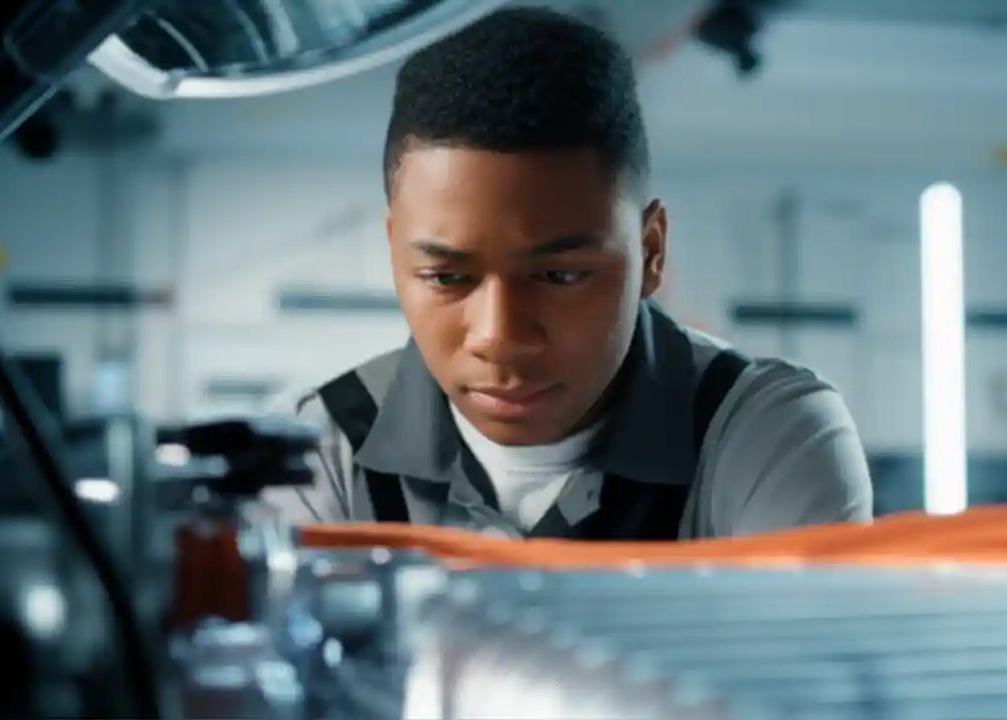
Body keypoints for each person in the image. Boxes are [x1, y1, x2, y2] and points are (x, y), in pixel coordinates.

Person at [267, 6, 872, 539]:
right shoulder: (319, 451)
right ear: (396, 250)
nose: (500, 337)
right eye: (447, 278)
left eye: (558, 276)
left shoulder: (767, 437)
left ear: (652, 252)